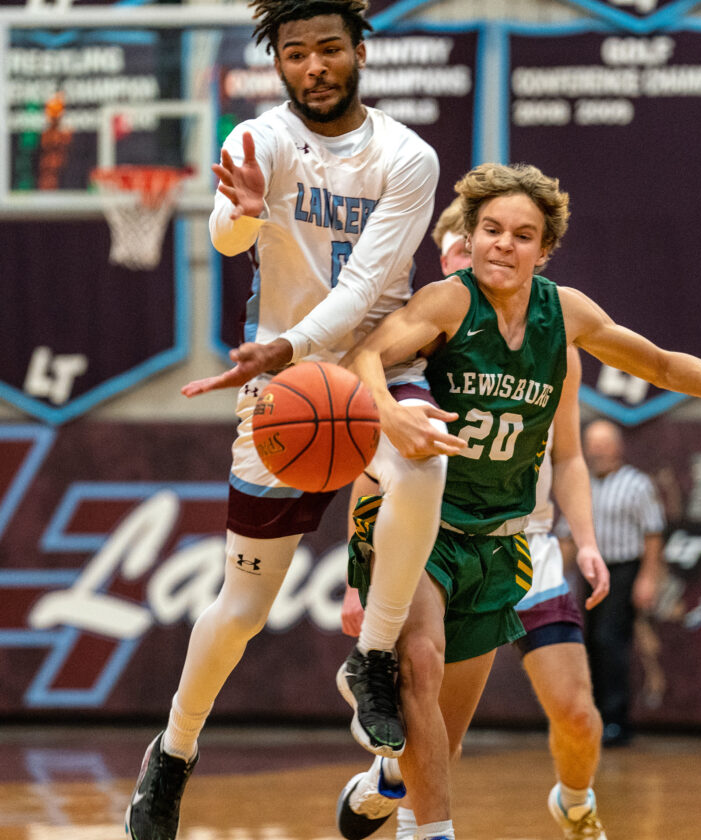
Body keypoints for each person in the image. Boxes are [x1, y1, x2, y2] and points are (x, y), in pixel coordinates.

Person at [332, 161, 701, 840]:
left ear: (542, 250)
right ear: (470, 233)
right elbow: (363, 355)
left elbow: (658, 363)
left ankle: (386, 781)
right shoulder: (448, 302)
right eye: (489, 229)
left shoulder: (565, 315)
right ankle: (425, 831)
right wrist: (390, 415)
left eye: (520, 235)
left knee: (444, 739)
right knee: (419, 666)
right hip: (424, 525)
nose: (500, 244)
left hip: (501, 537)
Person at [124, 2, 465, 839]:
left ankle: (372, 657)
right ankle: (172, 754)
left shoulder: (407, 157)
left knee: (423, 462)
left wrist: (287, 347)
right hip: (285, 395)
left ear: (359, 52)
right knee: (240, 608)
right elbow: (223, 235)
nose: (314, 65)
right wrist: (241, 214)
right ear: (278, 62)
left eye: (330, 50)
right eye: (296, 53)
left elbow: (366, 287)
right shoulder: (259, 139)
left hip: (375, 367)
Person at [339, 197, 611, 840]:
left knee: (574, 712)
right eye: (472, 244)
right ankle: (408, 801)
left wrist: (590, 542)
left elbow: (569, 455)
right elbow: (374, 465)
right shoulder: (429, 336)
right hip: (438, 534)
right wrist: (357, 579)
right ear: (449, 258)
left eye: (515, 239)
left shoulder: (555, 337)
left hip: (526, 539)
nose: (489, 255)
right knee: (423, 683)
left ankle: (573, 802)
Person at [558, 419, 665, 746]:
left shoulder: (637, 484)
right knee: (590, 643)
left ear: (619, 447)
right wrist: (554, 578)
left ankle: (616, 721)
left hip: (623, 570)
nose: (598, 451)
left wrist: (648, 577)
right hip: (591, 572)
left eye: (604, 444)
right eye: (592, 444)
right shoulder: (581, 483)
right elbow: (567, 534)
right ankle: (595, 717)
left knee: (610, 641)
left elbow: (653, 533)